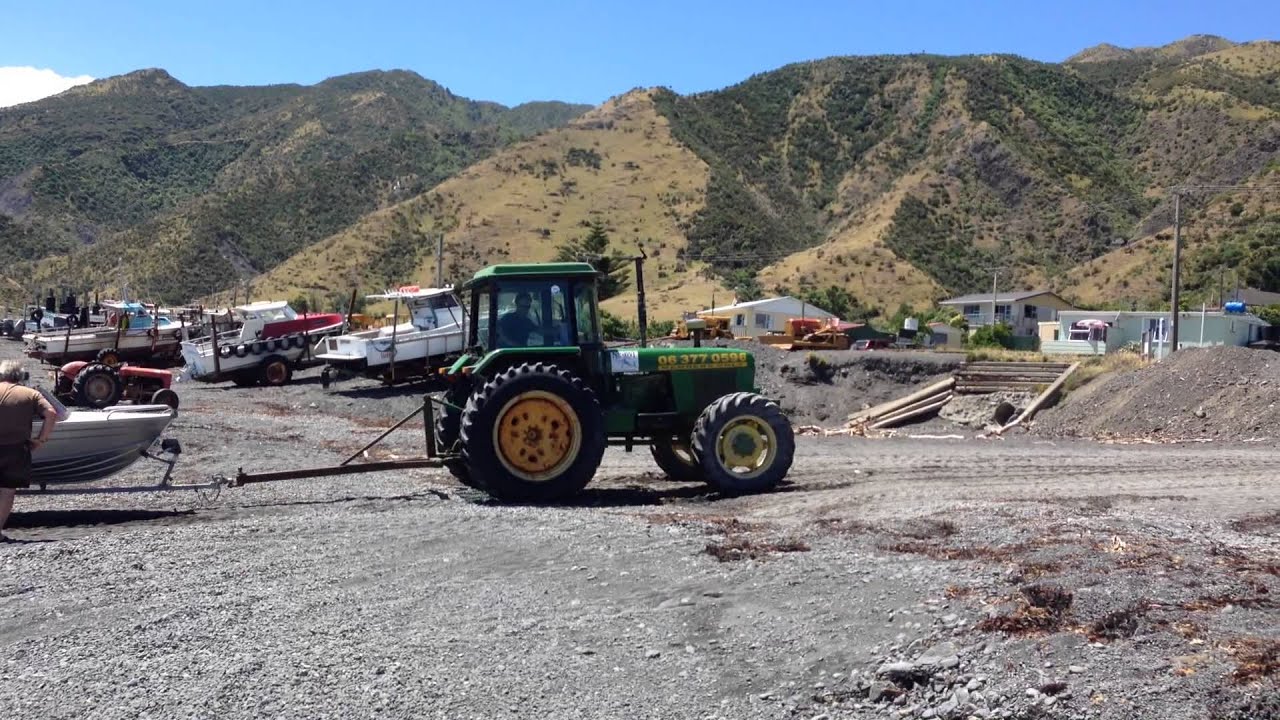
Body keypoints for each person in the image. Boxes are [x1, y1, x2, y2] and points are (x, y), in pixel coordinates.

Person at [0, 360, 58, 542]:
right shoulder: (31, 394)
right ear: (20, 376)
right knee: (7, 492)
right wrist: (41, 440)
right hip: (15, 449)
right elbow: (52, 413)